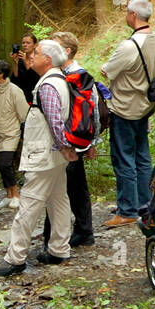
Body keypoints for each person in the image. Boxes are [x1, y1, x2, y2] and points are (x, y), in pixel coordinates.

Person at [0, 40, 78, 276]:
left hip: (45, 154)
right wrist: (66, 149)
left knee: (29, 202)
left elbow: (54, 120)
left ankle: (15, 257)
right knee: (58, 199)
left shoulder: (48, 85)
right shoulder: (59, 79)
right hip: (54, 154)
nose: (31, 56)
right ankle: (59, 249)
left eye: (37, 53)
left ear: (48, 60)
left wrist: (63, 146)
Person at [101, 0, 155, 226]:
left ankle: (127, 211)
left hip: (125, 108)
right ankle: (145, 206)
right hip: (145, 106)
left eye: (127, 12)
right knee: (142, 159)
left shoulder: (129, 46)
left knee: (124, 159)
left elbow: (107, 71)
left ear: (133, 15)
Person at [39, 30, 98, 249]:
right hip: (71, 140)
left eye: (53, 47)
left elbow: (93, 110)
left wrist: (92, 142)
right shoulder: (62, 74)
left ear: (66, 51)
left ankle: (54, 238)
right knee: (75, 186)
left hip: (71, 141)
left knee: (59, 188)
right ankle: (83, 230)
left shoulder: (76, 75)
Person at [0, 60, 29, 208]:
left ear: (1, 74)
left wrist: (24, 133)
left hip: (11, 133)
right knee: (1, 166)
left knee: (5, 164)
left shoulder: (14, 90)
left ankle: (16, 195)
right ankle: (8, 195)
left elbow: (24, 114)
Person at [10, 32, 40, 104]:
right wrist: (15, 62)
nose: (25, 45)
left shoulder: (38, 58)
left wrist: (26, 61)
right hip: (22, 97)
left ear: (35, 45)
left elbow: (34, 78)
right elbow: (15, 78)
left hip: (34, 97)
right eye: (23, 43)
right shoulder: (20, 59)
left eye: (28, 43)